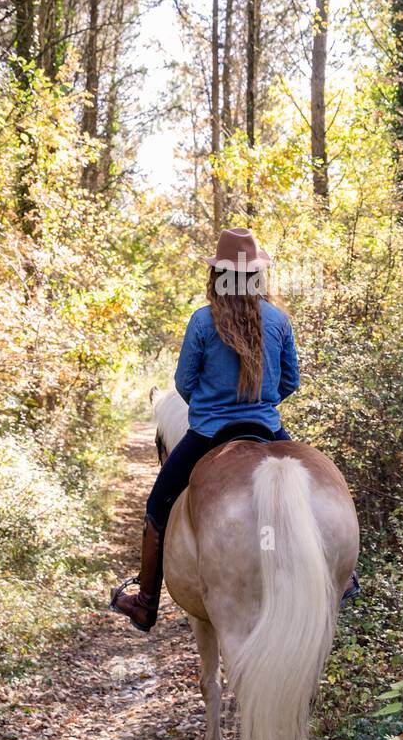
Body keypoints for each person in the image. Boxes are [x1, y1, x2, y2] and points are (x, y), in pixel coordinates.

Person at [110, 228, 299, 631]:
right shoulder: (278, 320)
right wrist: (261, 402)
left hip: (208, 435)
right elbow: (290, 382)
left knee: (158, 503)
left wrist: (211, 405)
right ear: (257, 276)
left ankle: (145, 602)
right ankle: (345, 577)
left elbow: (183, 383)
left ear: (217, 276)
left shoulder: (202, 321)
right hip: (267, 430)